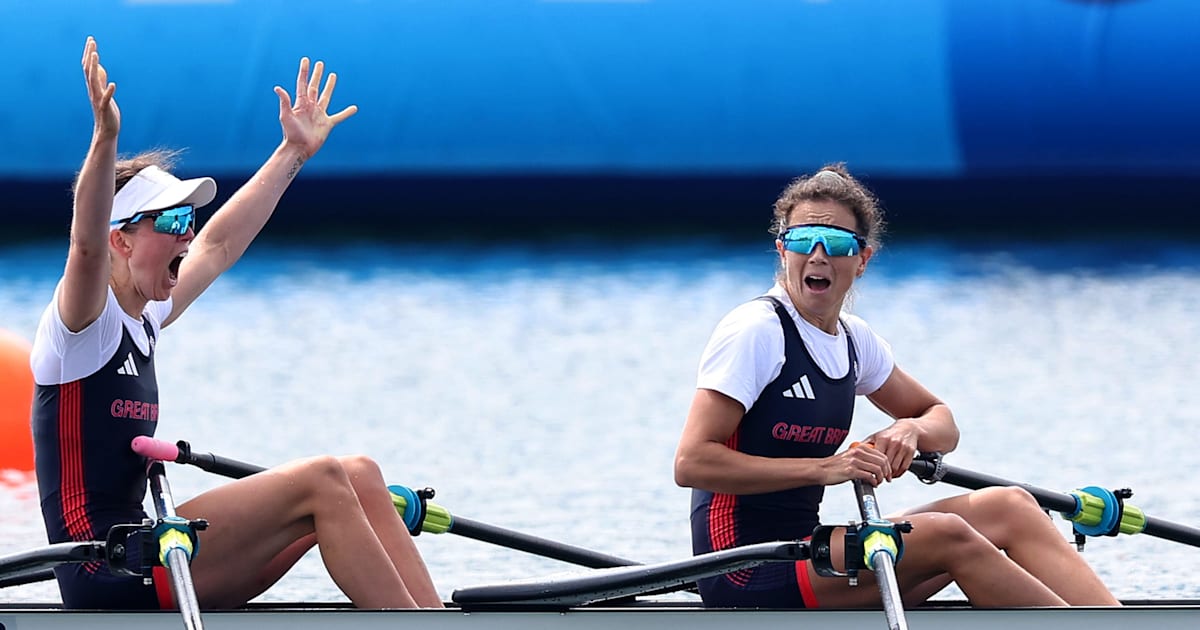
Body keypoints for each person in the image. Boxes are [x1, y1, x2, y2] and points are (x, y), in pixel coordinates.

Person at [30, 36, 441, 610]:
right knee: (323, 477)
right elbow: (84, 246)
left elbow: (220, 244)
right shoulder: (78, 329)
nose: (187, 232)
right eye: (172, 220)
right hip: (106, 571)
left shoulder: (147, 314)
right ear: (121, 238)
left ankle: (432, 619)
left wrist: (293, 152)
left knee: (360, 474)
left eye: (188, 217)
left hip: (153, 549)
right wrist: (104, 142)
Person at [673, 164, 1119, 609]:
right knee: (947, 534)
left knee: (1011, 507)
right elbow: (691, 462)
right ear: (782, 250)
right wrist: (824, 469)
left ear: (862, 260)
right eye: (803, 240)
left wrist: (910, 431)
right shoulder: (756, 330)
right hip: (742, 571)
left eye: (839, 243)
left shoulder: (854, 340)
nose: (819, 255)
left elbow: (942, 421)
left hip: (811, 553)